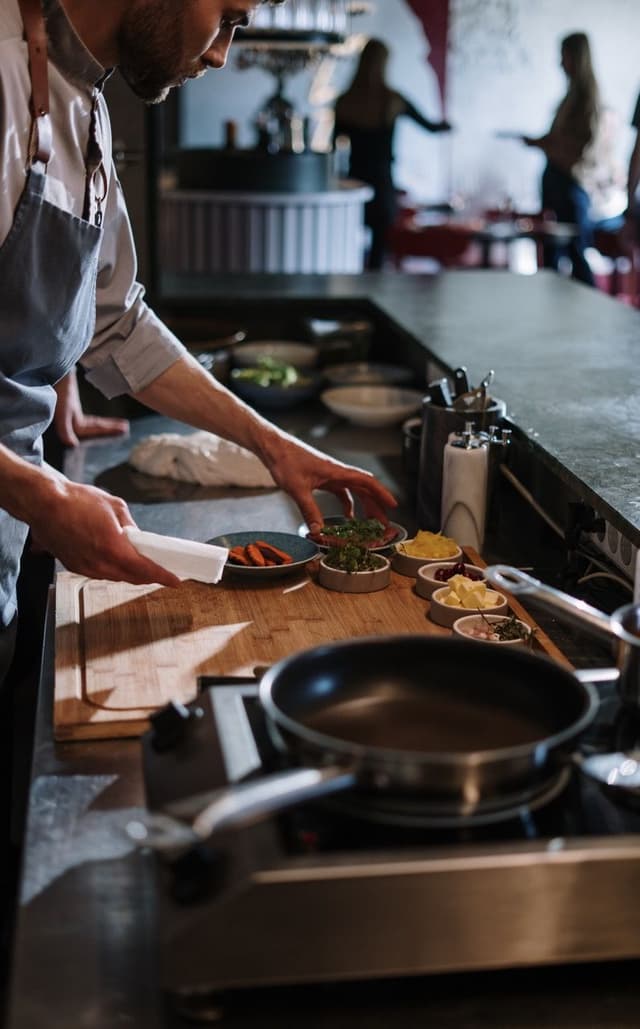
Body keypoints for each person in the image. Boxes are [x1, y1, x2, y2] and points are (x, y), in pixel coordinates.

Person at [0, 0, 398, 693]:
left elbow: (116, 321)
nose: (221, 54)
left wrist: (272, 446)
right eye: (230, 17)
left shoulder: (85, 104)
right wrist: (39, 494)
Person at [333, 38, 451, 270]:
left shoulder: (346, 101)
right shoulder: (392, 100)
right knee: (380, 249)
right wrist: (449, 126)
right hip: (381, 179)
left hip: (354, 181)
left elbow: (332, 146)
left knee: (347, 247)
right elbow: (430, 127)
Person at [521, 32, 615, 286]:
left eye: (564, 57)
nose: (560, 63)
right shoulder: (571, 97)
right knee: (552, 255)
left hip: (570, 186)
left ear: (575, 57)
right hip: (557, 182)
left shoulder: (587, 99)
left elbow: (584, 147)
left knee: (576, 253)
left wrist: (547, 143)